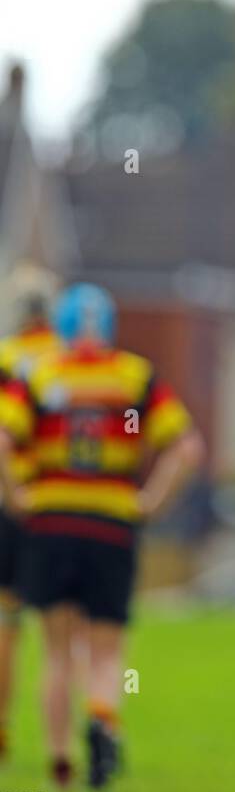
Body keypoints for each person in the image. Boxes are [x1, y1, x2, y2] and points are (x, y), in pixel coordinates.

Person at [0, 283, 204, 788]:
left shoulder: (40, 373)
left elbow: (4, 438)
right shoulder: (133, 376)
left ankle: (60, 759)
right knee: (105, 650)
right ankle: (101, 718)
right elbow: (186, 448)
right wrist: (151, 503)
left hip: (49, 523)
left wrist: (17, 497)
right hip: (112, 524)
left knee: (57, 650)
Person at [0, 265, 61, 759]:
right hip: (64, 504)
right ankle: (67, 747)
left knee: (7, 621)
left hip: (12, 502)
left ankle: (1, 724)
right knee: (66, 632)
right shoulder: (70, 360)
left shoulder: (6, 359)